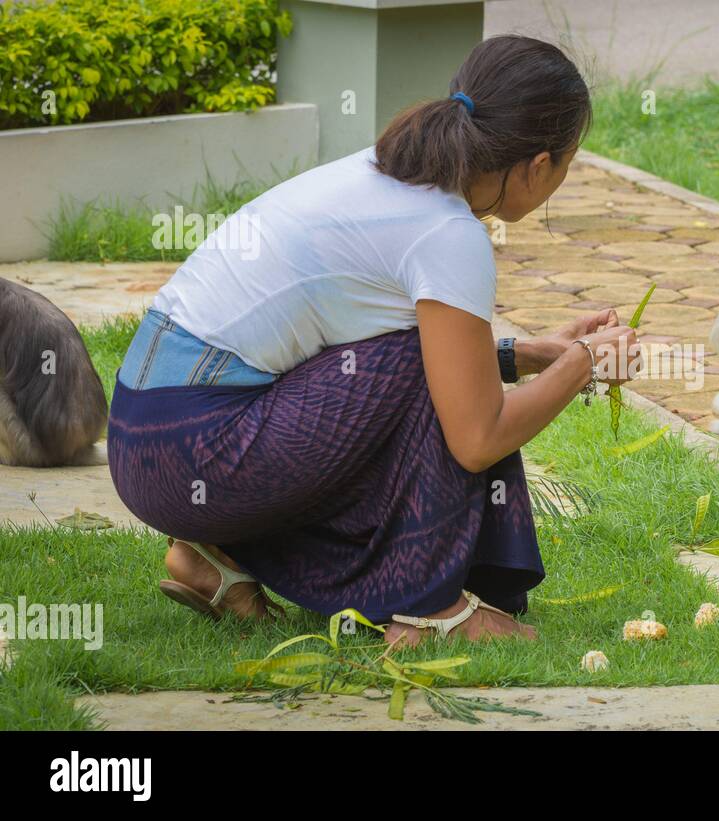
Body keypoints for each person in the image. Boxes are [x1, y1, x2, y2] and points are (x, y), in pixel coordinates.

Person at [107, 35, 640, 645]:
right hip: (194, 451)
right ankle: (425, 609)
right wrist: (580, 364)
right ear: (540, 164)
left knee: (416, 359)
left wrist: (531, 354)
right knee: (432, 374)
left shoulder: (387, 173)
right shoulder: (448, 232)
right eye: (569, 165)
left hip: (145, 440)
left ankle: (214, 557)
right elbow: (476, 436)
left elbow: (362, 364)